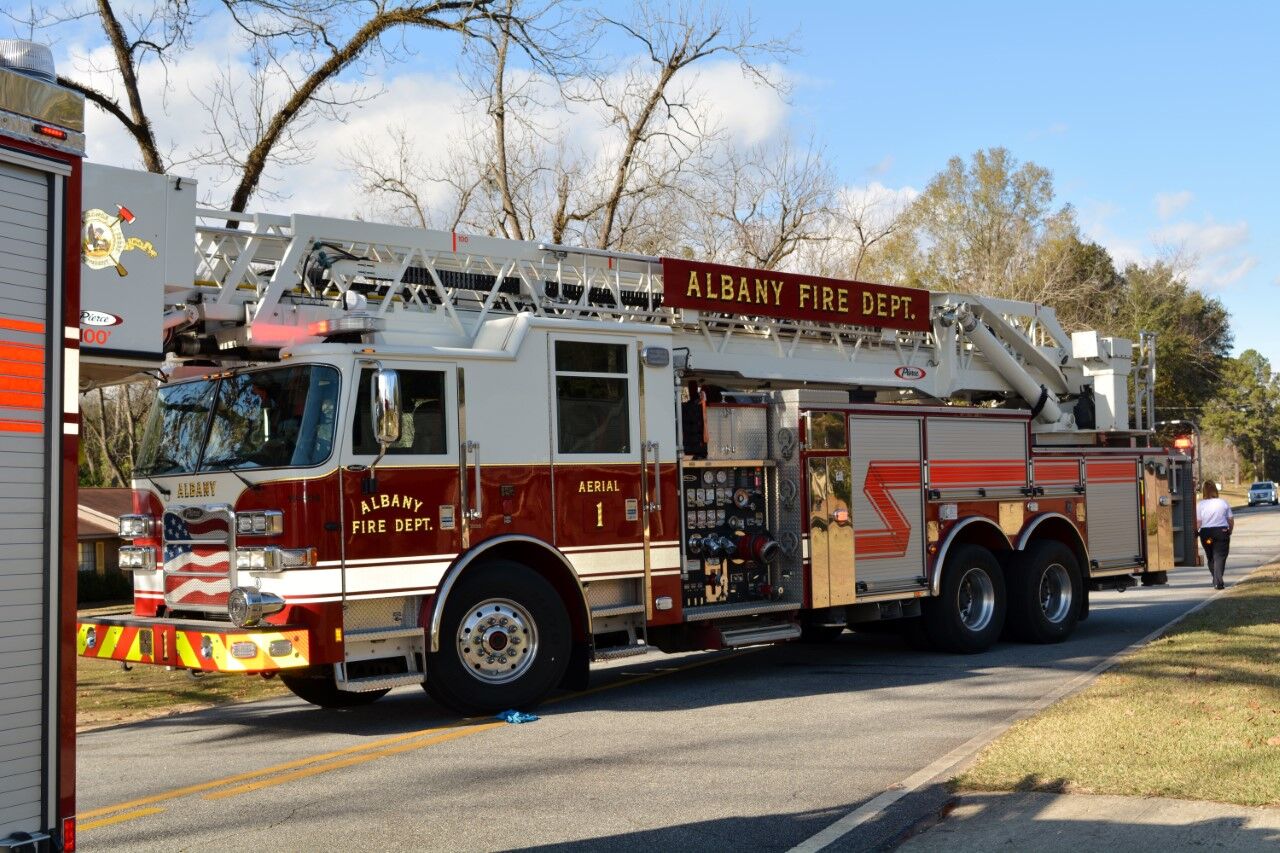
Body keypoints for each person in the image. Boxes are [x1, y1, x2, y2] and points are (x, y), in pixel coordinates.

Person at [1196, 481, 1233, 590]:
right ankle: (1218, 581)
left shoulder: (1200, 504)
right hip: (1221, 533)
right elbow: (1230, 519)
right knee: (1220, 557)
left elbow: (1198, 521)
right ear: (1215, 490)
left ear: (1204, 491)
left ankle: (1216, 579)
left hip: (1206, 534)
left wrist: (1195, 532)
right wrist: (1229, 530)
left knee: (1211, 557)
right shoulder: (1223, 503)